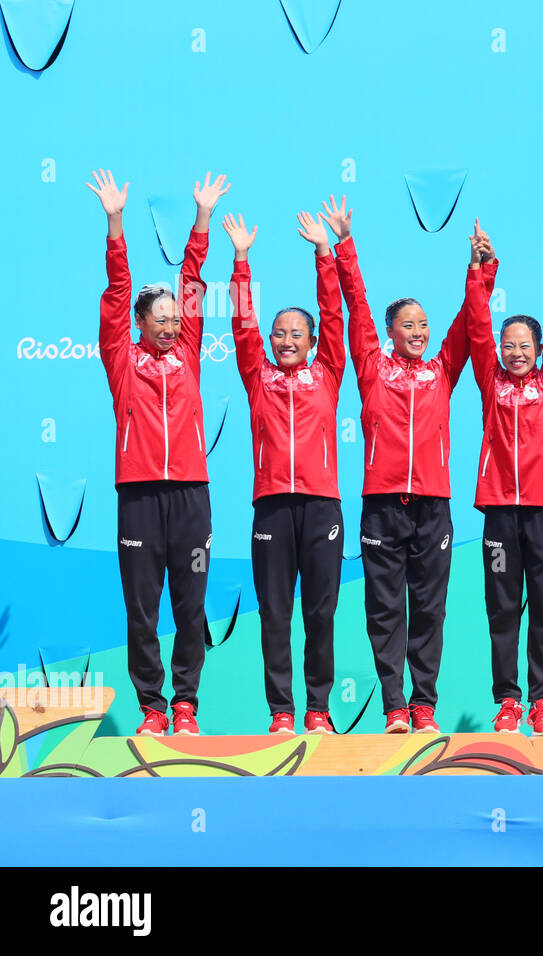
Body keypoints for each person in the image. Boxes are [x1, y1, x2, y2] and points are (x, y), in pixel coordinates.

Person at [326, 196, 494, 734]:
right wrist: (343, 245)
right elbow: (354, 302)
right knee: (383, 609)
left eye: (424, 324)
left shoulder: (444, 369)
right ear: (390, 331)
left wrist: (480, 269)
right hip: (381, 506)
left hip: (433, 506)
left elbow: (474, 324)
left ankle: (425, 705)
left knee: (428, 609)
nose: (419, 331)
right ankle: (394, 705)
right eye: (409, 325)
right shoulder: (372, 367)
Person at [88, 168, 228, 737]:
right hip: (139, 496)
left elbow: (192, 279)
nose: (171, 325)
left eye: (176, 319)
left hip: (192, 496)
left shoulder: (189, 354)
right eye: (160, 319)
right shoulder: (123, 360)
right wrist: (115, 222)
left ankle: (186, 705)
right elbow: (118, 292)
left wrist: (202, 219)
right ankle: (151, 707)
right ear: (140, 324)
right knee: (142, 609)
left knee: (190, 606)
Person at [222, 210, 346, 736]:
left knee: (320, 614)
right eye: (279, 334)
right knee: (275, 614)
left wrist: (324, 253)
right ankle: (281, 712)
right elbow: (242, 323)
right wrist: (242, 260)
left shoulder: (329, 371)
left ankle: (317, 710)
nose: (286, 340)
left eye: (297, 334)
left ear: (313, 341)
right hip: (271, 504)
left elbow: (335, 314)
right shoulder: (258, 375)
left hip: (322, 506)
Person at [467, 227, 543, 735]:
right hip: (498, 510)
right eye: (508, 345)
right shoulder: (489, 379)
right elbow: (475, 324)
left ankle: (541, 700)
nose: (516, 352)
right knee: (503, 608)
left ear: (538, 350)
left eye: (524, 345)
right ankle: (508, 699)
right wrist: (480, 269)